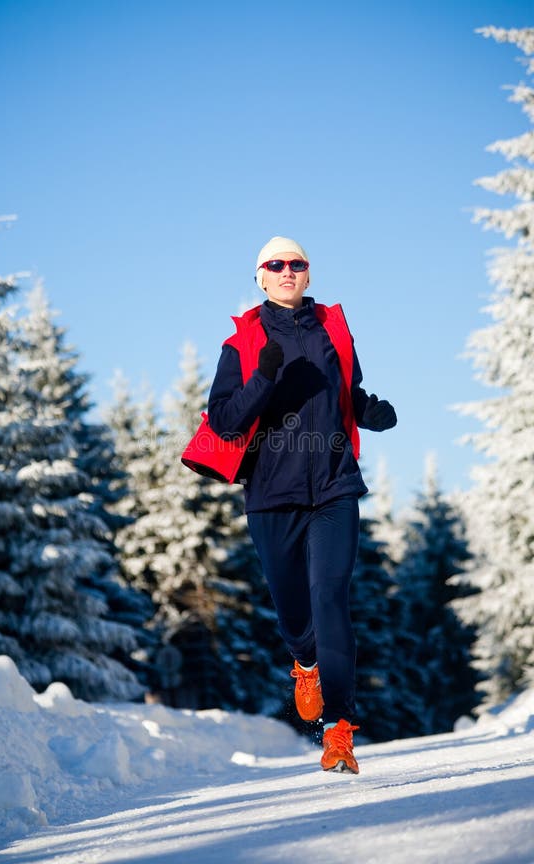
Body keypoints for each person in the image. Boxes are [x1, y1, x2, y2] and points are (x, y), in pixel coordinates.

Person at [206, 236, 397, 773]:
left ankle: (339, 729)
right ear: (261, 278)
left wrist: (367, 411)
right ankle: (304, 663)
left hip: (335, 486)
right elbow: (223, 420)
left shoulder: (334, 328)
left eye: (297, 264)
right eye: (276, 264)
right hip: (271, 495)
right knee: (295, 612)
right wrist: (263, 376)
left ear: (308, 276)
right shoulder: (240, 342)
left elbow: (349, 392)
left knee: (330, 598)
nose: (287, 270)